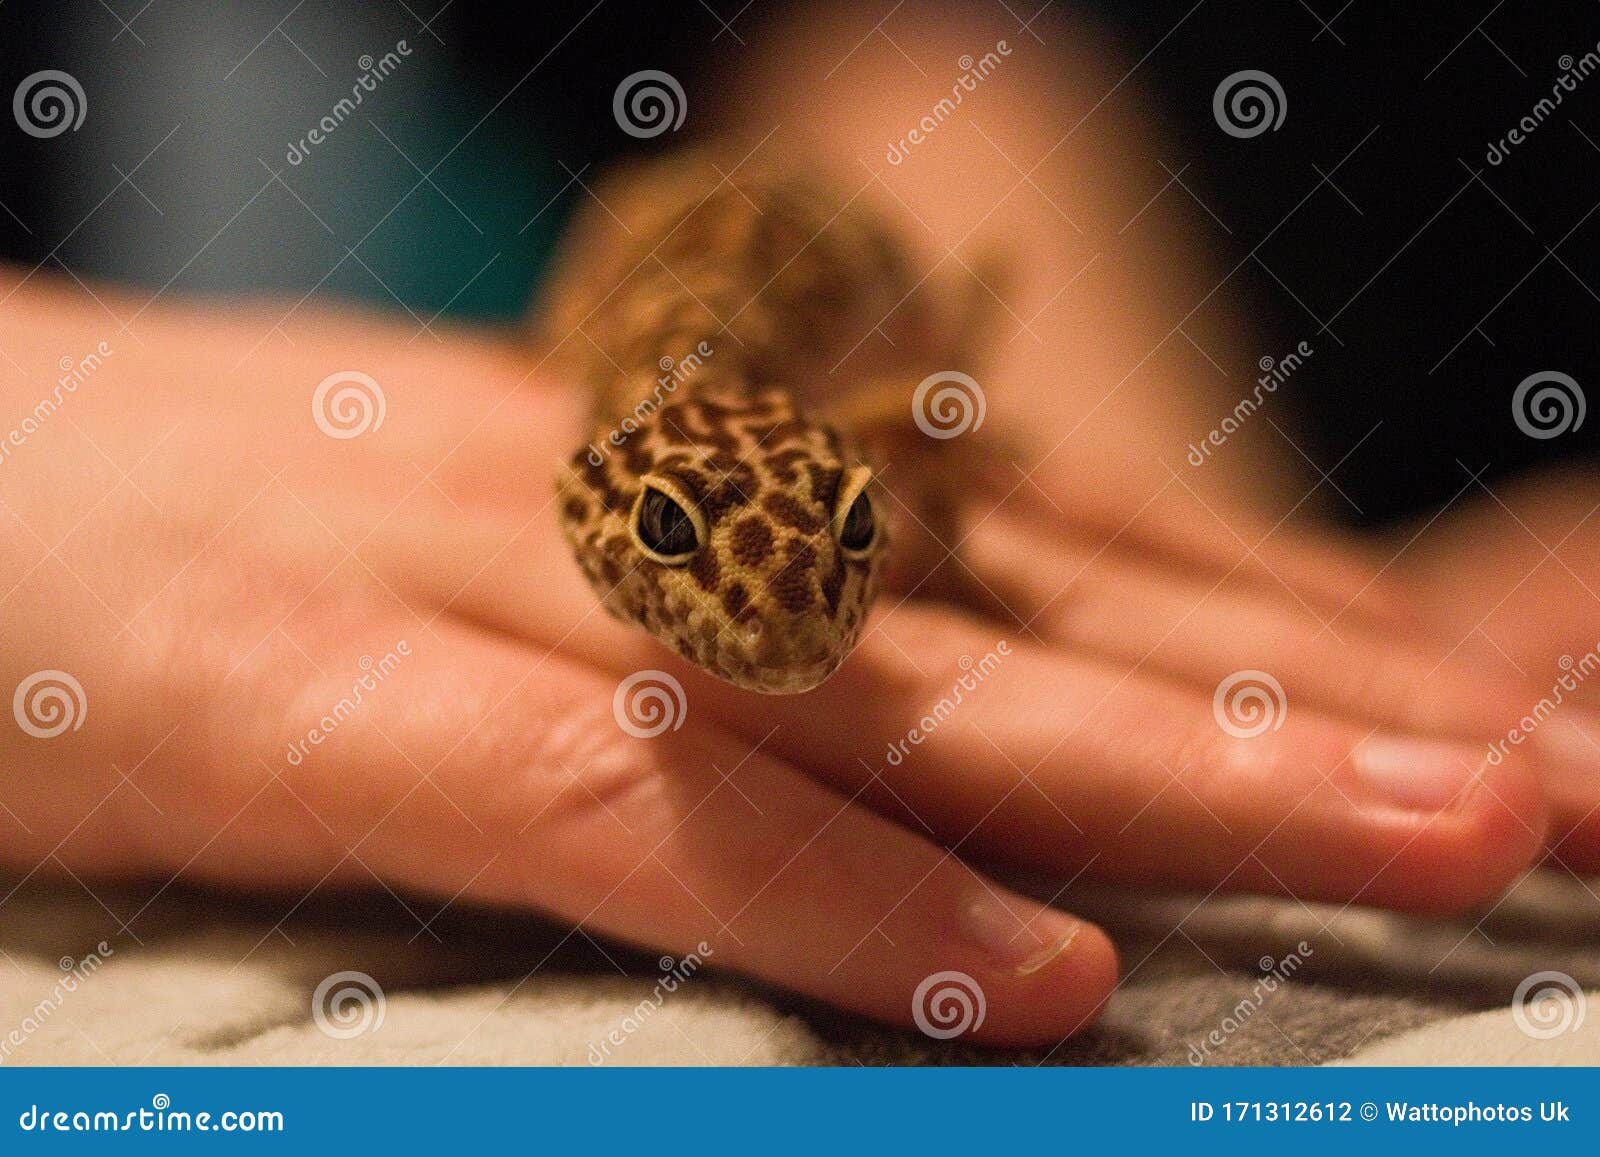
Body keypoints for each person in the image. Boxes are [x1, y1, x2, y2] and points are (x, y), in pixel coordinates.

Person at [0, 6, 1593, 1048]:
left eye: (842, 534)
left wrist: (1022, 509)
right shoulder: (596, 415)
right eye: (685, 537)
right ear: (593, 500)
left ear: (845, 464)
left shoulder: (840, 415)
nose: (787, 624)